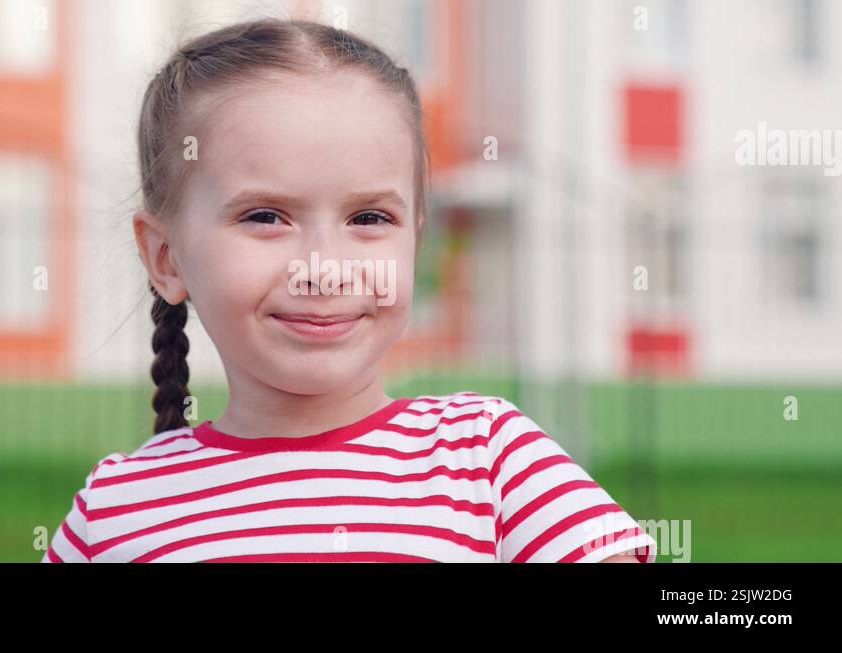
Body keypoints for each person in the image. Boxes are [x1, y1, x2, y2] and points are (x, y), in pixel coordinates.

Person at [42, 17, 657, 563]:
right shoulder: (114, 514)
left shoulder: (490, 463)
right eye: (264, 216)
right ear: (166, 257)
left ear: (415, 239)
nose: (324, 268)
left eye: (368, 219)